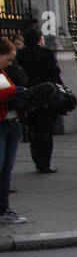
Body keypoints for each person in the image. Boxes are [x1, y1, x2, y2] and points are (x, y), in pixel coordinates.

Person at [15, 28, 63, 175]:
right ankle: (44, 163)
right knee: (46, 131)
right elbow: (54, 73)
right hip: (46, 95)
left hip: (28, 96)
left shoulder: (20, 54)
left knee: (33, 129)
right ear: (39, 39)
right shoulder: (47, 53)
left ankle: (37, 160)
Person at [0, 38, 27, 222]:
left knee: (6, 169)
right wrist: (16, 91)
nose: (10, 63)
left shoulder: (3, 73)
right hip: (1, 125)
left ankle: (3, 209)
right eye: (8, 59)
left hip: (12, 124)